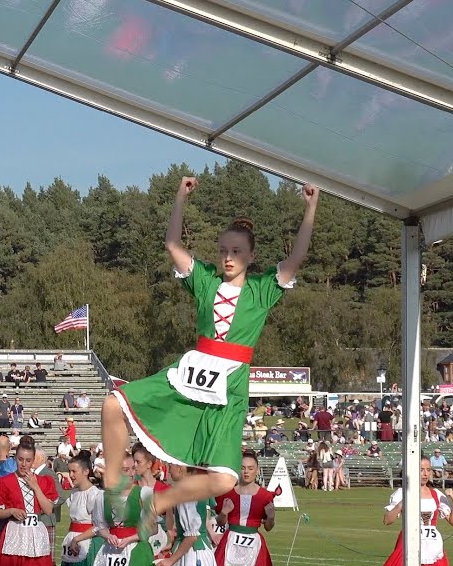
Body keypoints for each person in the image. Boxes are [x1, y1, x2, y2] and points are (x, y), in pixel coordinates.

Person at [102, 177, 317, 532]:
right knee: (113, 404)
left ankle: (154, 503)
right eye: (223, 250)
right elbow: (172, 243)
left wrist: (310, 208)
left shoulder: (264, 289)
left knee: (223, 480)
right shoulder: (204, 280)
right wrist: (179, 198)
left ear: (252, 255)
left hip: (231, 385)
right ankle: (114, 489)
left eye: (236, 251)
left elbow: (298, 255)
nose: (228, 257)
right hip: (194, 371)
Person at [376, 458, 453, 566]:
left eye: (428, 470)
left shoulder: (436, 494)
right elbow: (387, 520)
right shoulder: (401, 493)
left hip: (432, 544)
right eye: (421, 470)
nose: (425, 474)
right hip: (409, 540)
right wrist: (402, 503)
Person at [0, 438, 58, 566]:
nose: (24, 464)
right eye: (20, 459)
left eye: (28, 460)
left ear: (33, 460)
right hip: (15, 532)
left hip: (36, 533)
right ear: (15, 459)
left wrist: (36, 487)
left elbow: (48, 510)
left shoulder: (45, 481)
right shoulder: (4, 481)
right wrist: (11, 511)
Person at [214, 451, 277, 566]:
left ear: (257, 470)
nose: (246, 472)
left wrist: (270, 518)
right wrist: (224, 513)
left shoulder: (265, 496)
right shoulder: (227, 492)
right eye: (243, 468)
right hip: (230, 541)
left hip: (254, 542)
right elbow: (220, 522)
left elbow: (268, 527)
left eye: (250, 468)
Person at [156, 464, 218, 566]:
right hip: (191, 550)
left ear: (180, 468)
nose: (168, 471)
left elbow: (192, 536)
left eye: (171, 467)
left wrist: (170, 560)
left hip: (193, 555)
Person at [58, 451, 101, 566]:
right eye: (69, 471)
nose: (71, 475)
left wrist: (77, 539)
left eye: (74, 471)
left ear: (86, 471)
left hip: (86, 543)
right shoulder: (74, 493)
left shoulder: (94, 494)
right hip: (72, 543)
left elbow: (99, 525)